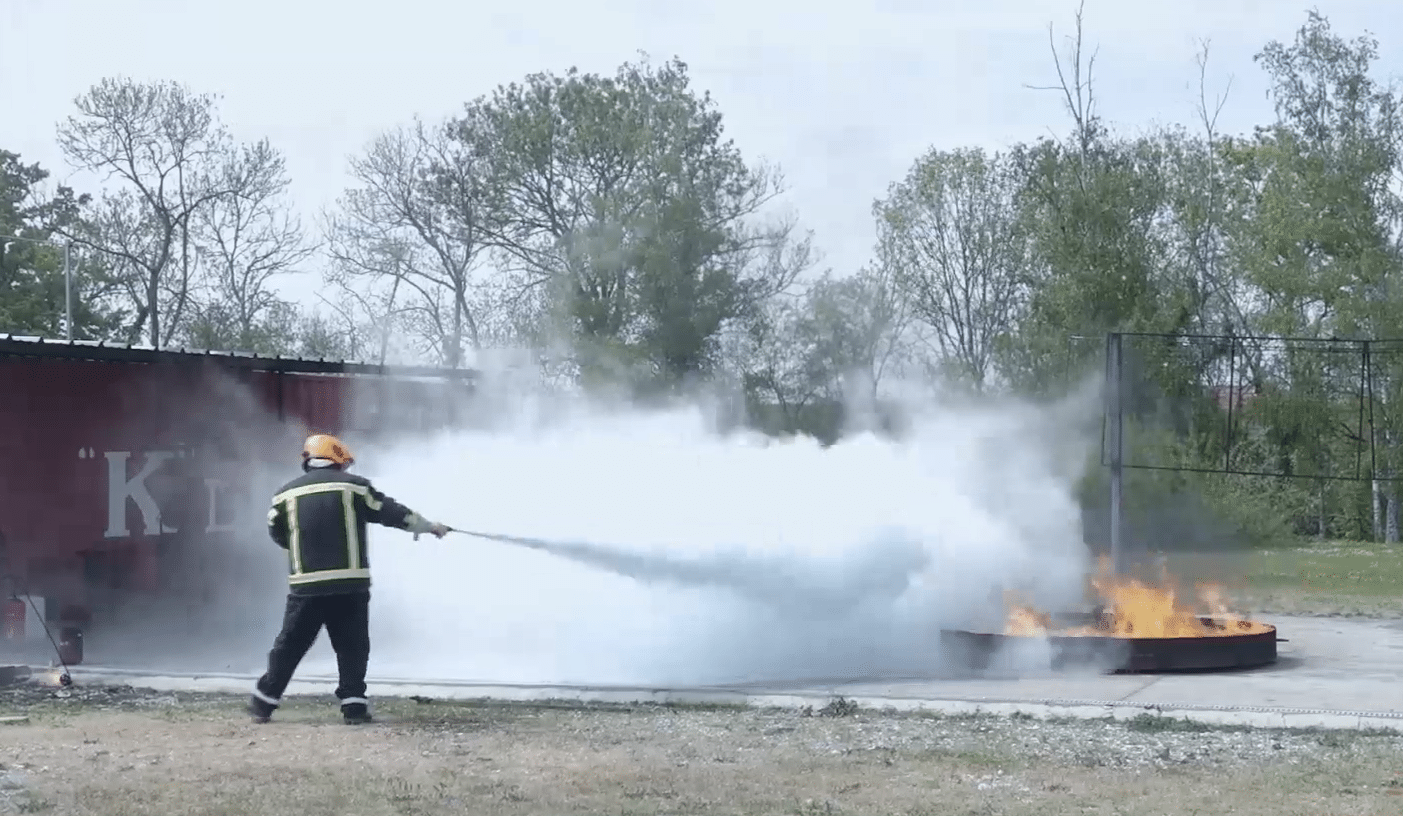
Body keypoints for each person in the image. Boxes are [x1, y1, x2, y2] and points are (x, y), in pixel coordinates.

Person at [247, 433, 449, 725]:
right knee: (352, 645)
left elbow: (277, 533)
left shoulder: (284, 495)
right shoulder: (354, 487)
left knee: (290, 644)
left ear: (308, 461)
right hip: (350, 584)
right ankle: (354, 707)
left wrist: (304, 550)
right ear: (338, 459)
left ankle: (263, 704)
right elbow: (391, 512)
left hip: (307, 585)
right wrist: (429, 526)